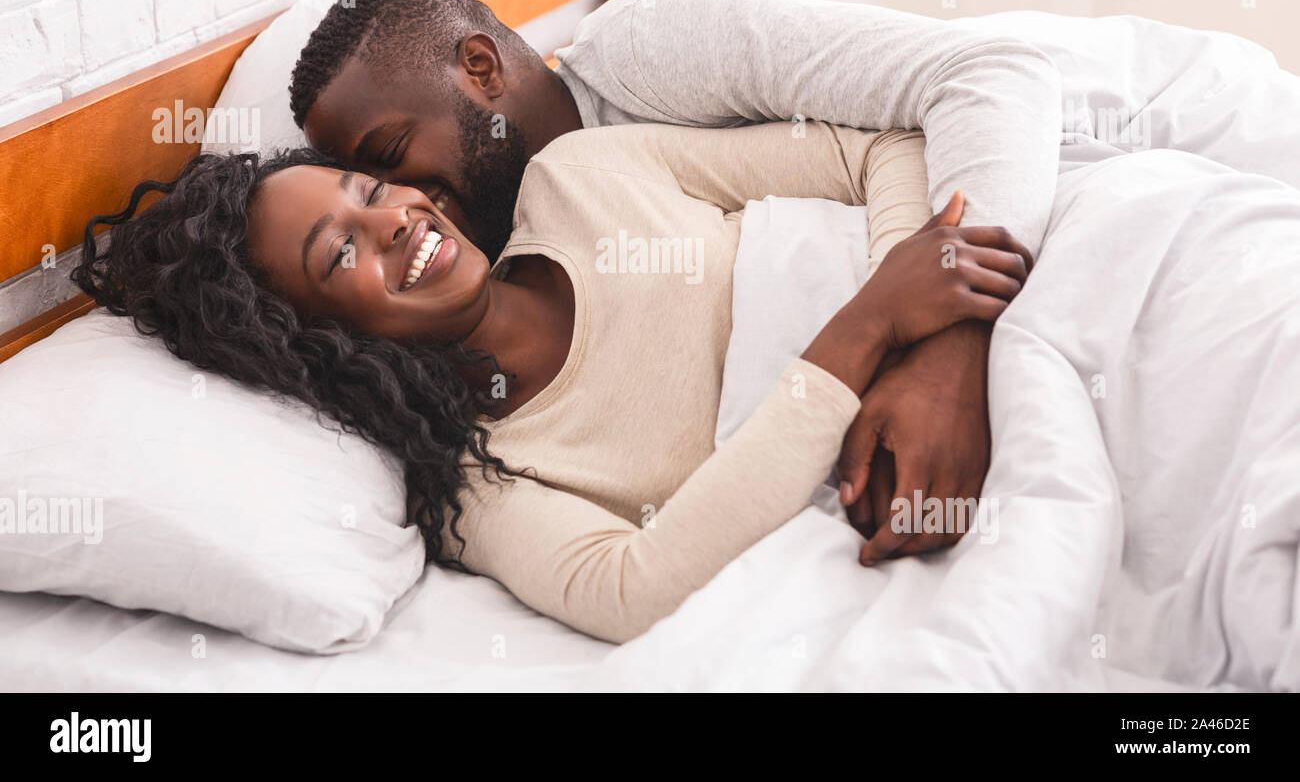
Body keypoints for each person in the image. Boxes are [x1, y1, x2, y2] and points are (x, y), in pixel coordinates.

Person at [75, 119, 1031, 643]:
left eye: (369, 192)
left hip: (1015, 294)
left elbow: (878, 150)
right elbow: (630, 591)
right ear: (320, 343)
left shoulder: (583, 175)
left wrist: (931, 349)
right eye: (342, 254)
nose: (395, 222)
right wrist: (870, 325)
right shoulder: (483, 479)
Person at [285, 0, 1063, 563]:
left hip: (1035, 157)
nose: (405, 205)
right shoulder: (517, 261)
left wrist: (943, 356)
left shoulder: (652, 52)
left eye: (389, 162)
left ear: (482, 69)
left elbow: (991, 72)